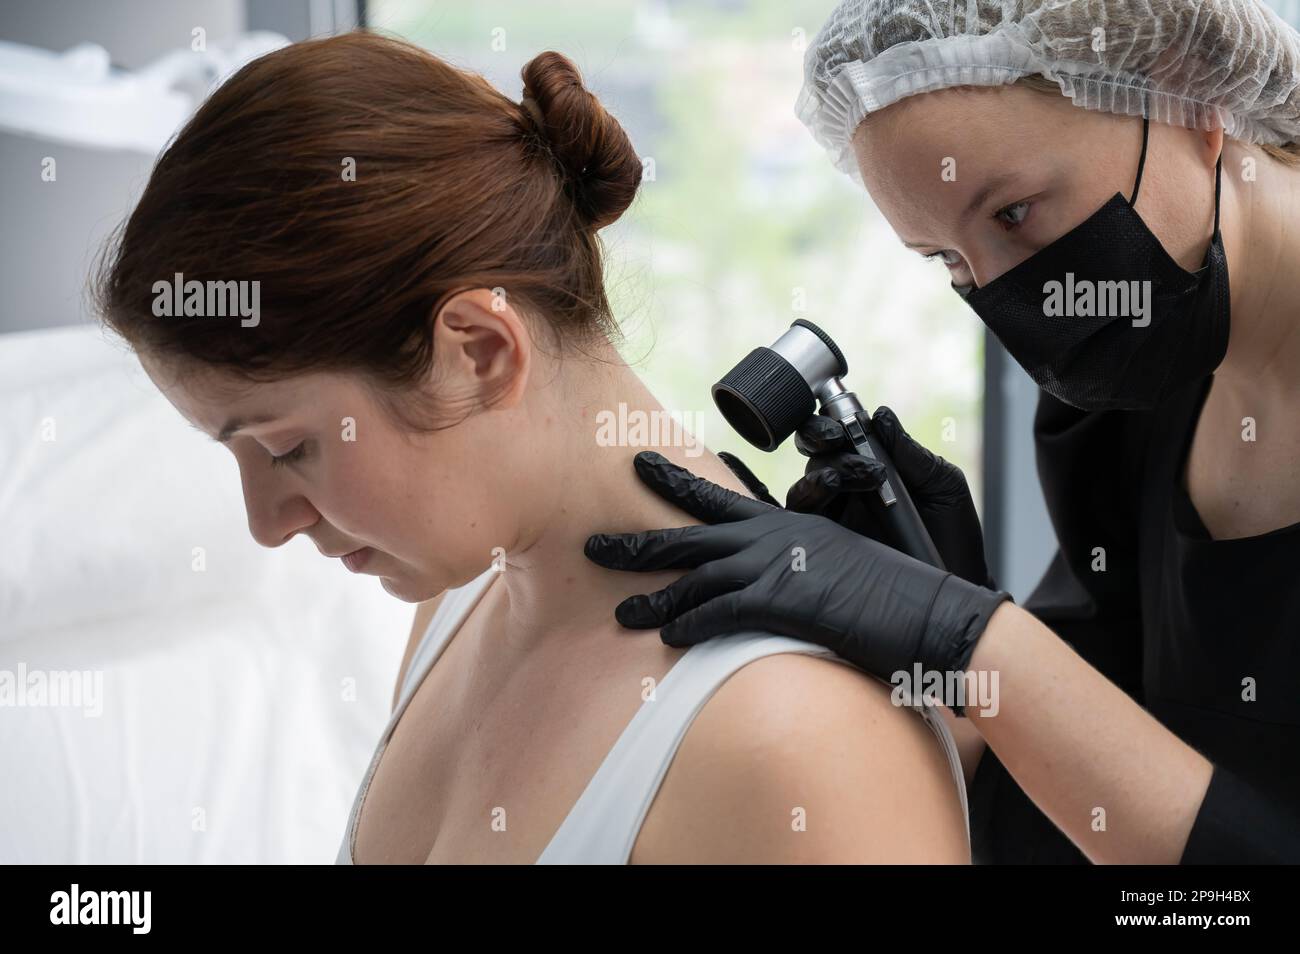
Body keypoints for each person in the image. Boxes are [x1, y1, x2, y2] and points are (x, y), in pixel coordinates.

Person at [92, 31, 971, 863]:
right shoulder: (459, 609)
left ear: (480, 352)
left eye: (288, 449)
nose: (265, 525)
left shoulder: (798, 743)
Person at [586, 0, 1300, 863]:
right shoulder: (1119, 394)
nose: (1005, 297)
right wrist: (939, 623)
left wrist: (976, 643)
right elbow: (1079, 829)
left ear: (1187, 98)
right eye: (948, 260)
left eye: (1013, 214)